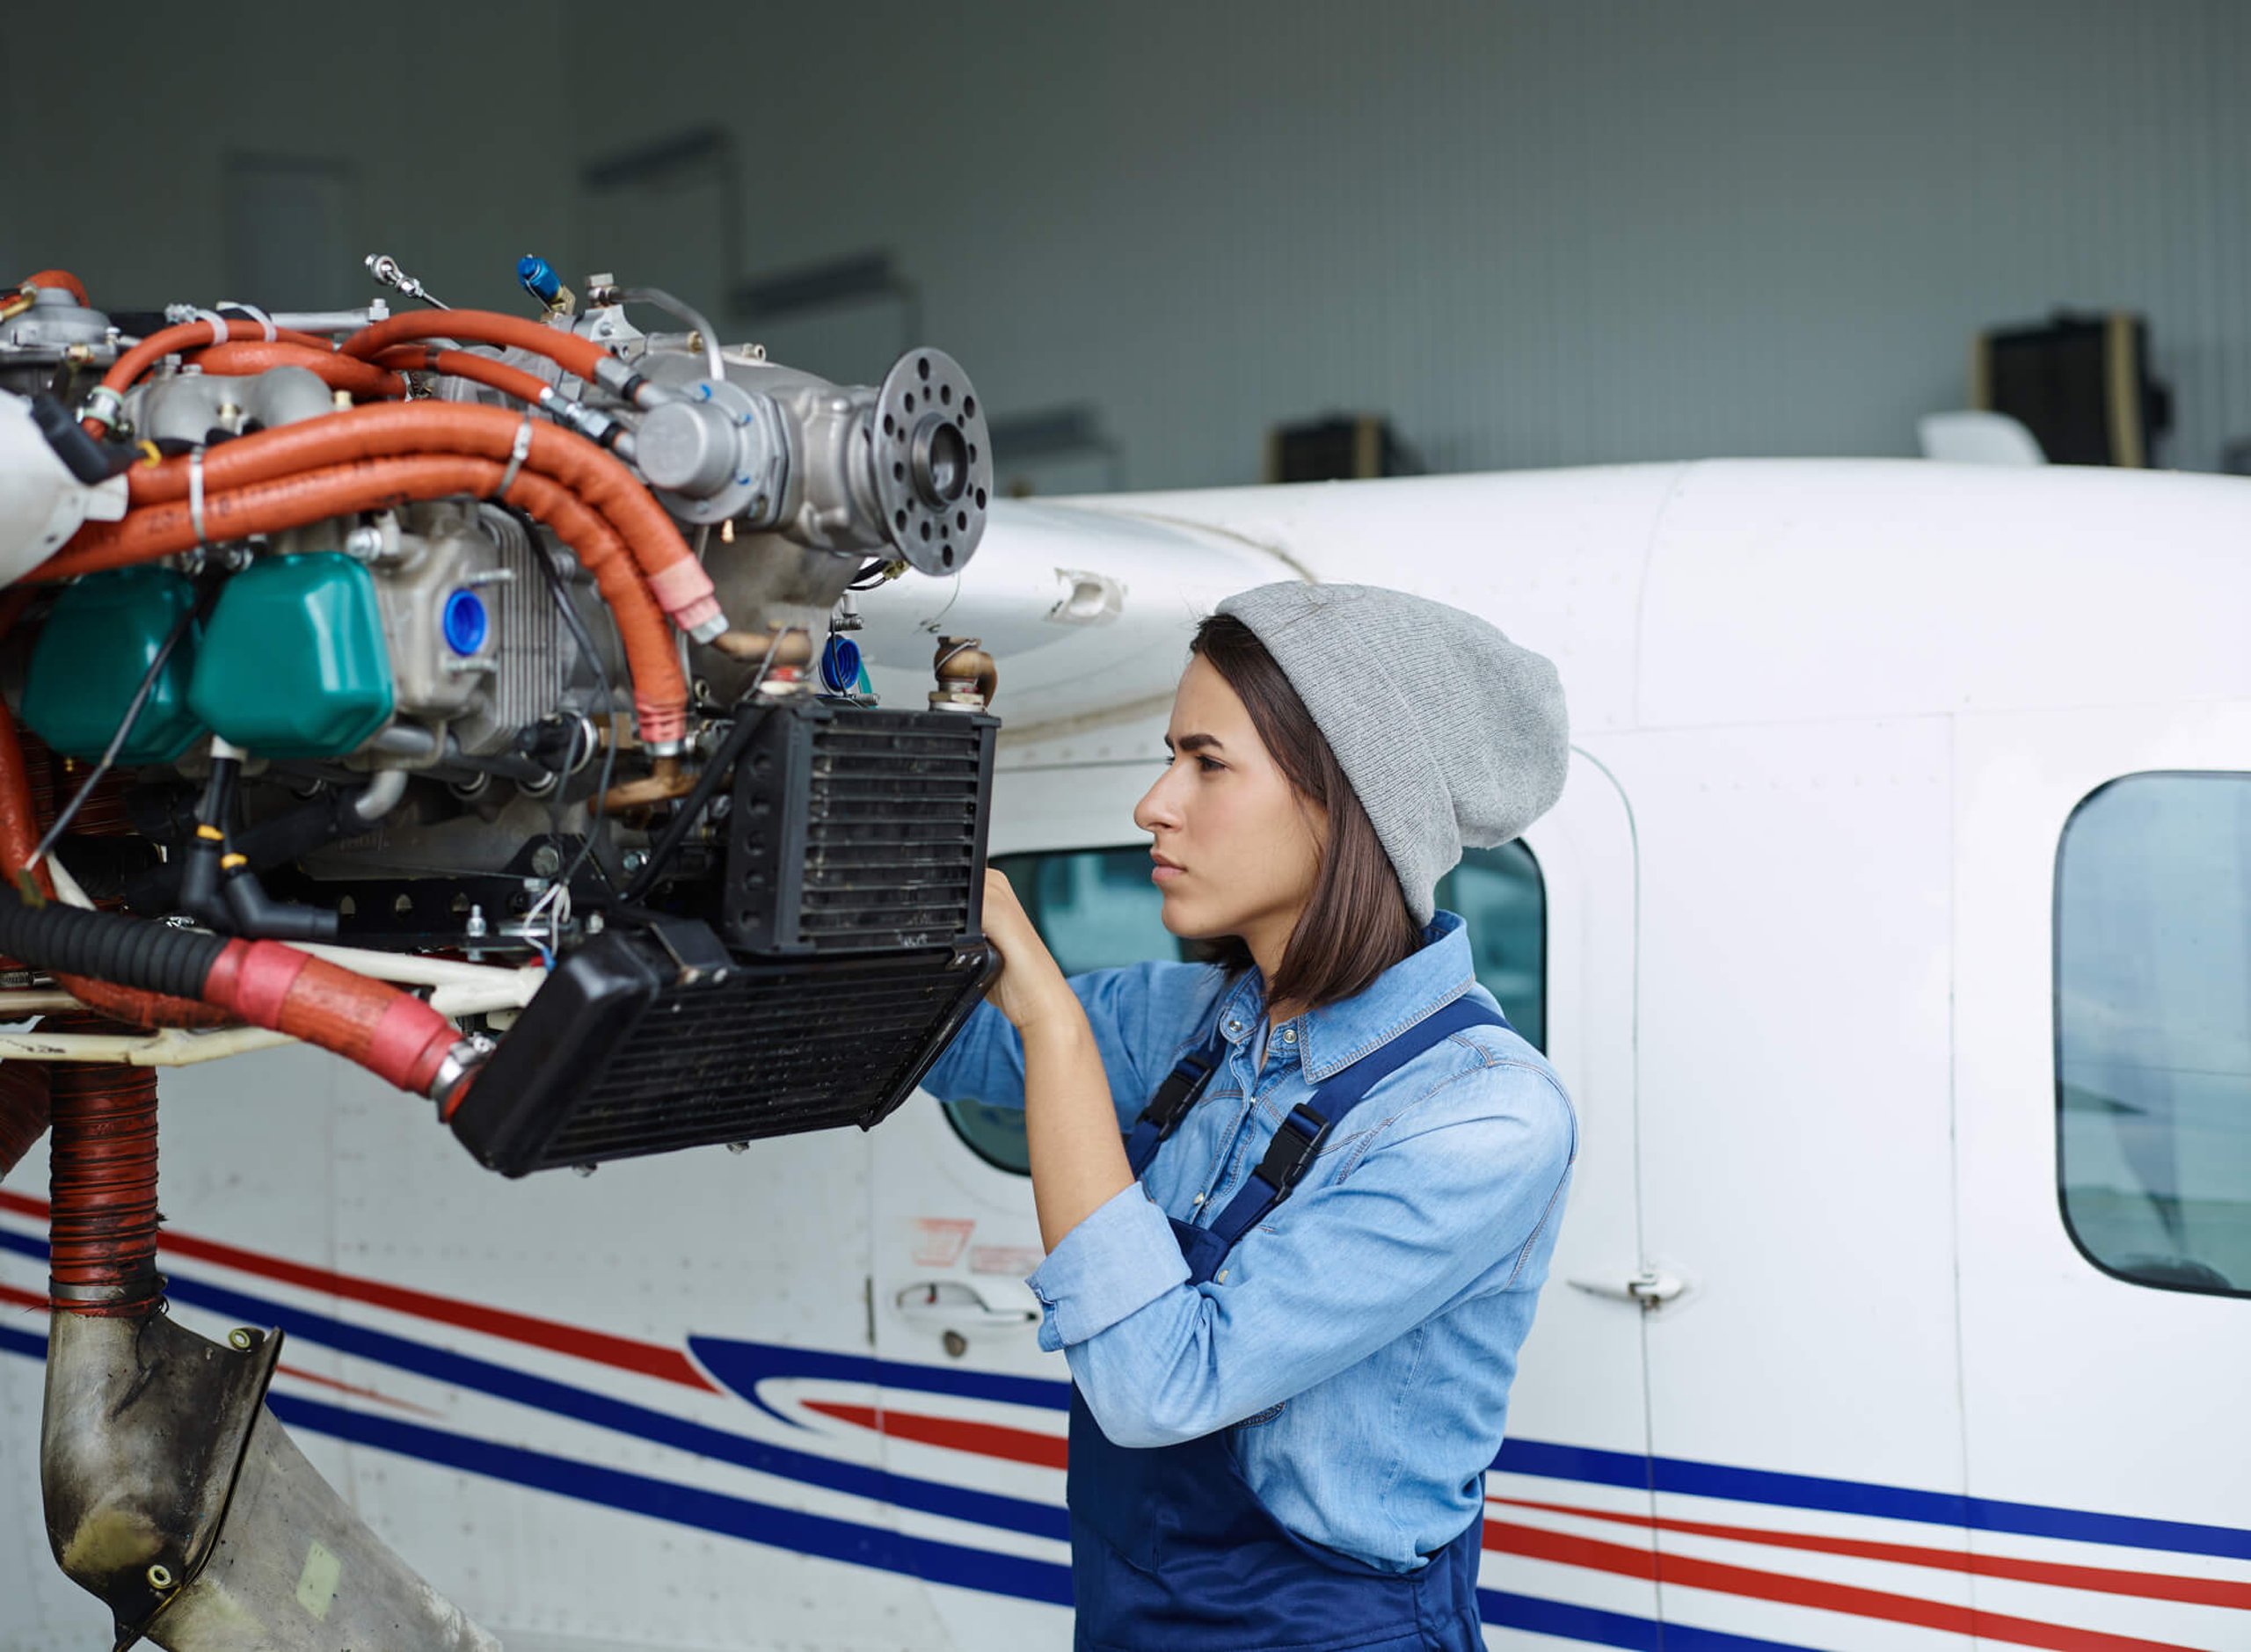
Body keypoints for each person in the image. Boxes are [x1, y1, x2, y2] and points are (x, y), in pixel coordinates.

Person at [920, 582, 1577, 1652]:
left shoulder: (1483, 1122)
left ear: (1343, 799)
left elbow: (1158, 1384)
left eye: (1205, 763)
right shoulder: (1193, 1022)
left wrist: (1054, 1021)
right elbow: (934, 1041)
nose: (1154, 804)